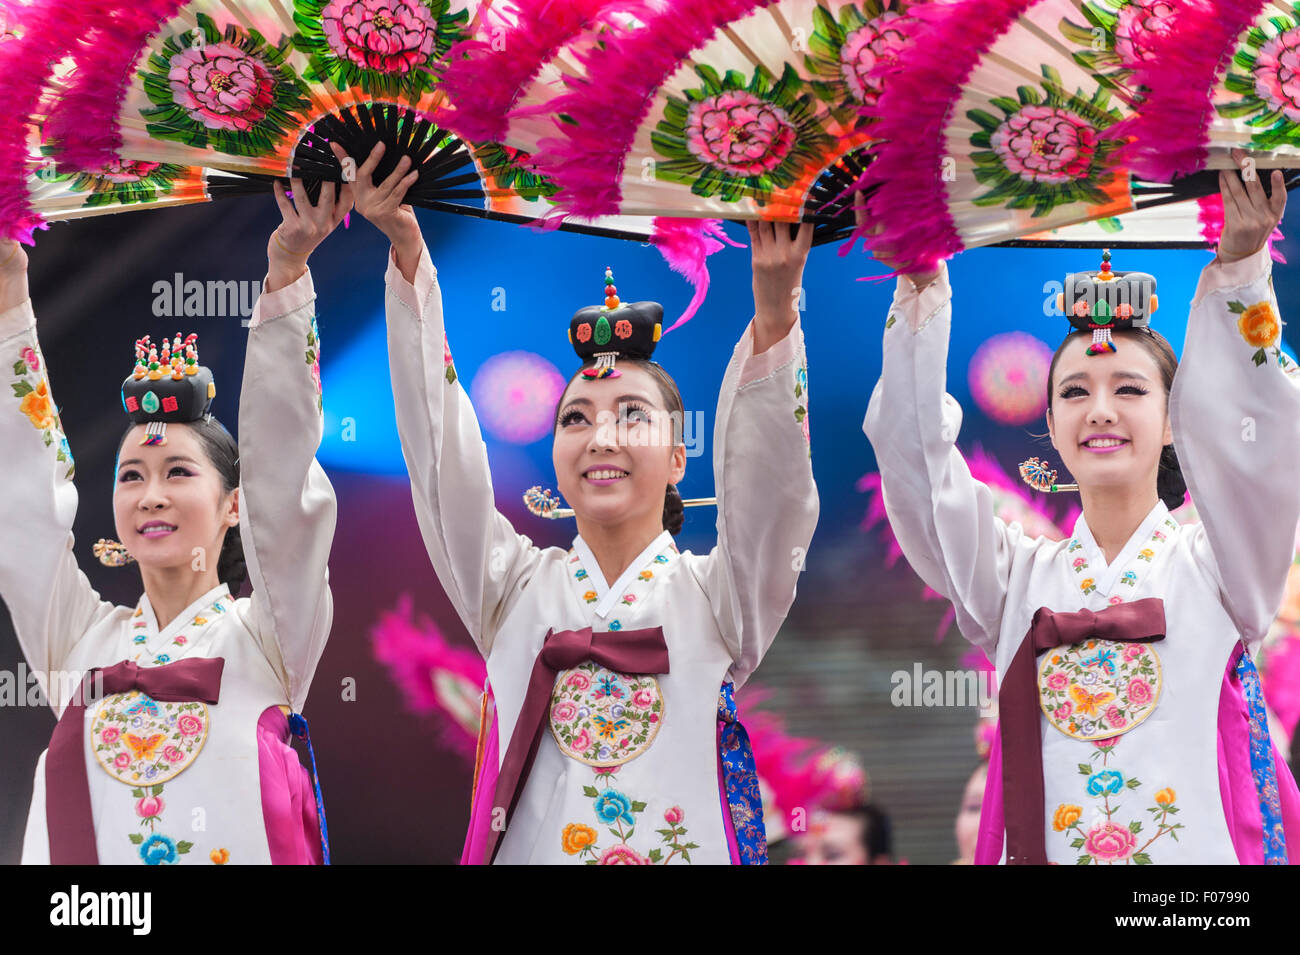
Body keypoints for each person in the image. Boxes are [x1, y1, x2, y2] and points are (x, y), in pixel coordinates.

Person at [341, 140, 819, 864]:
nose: (601, 436)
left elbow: (771, 486)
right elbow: (441, 452)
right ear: (556, 460)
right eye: (576, 418)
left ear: (679, 457)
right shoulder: (510, 588)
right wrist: (408, 249)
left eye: (632, 414)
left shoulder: (721, 600)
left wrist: (776, 313)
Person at [863, 155, 1300, 864]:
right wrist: (918, 287)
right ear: (1052, 424)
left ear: (1173, 421)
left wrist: (1243, 268)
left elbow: (1259, 444)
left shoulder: (1223, 569)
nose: (1099, 410)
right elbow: (917, 468)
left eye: (1129, 389)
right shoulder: (1010, 580)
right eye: (1074, 392)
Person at [0, 178, 343, 864]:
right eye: (132, 476)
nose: (150, 495)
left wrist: (286, 273)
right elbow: (24, 513)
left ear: (234, 505)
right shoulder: (79, 643)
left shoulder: (268, 638)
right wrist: (10, 287)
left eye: (178, 472)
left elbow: (284, 487)